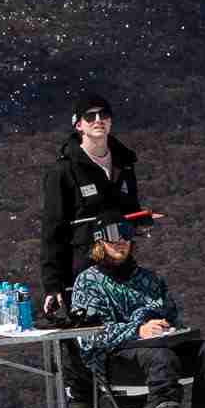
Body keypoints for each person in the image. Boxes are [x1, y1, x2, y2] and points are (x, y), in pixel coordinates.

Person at [67, 210, 205, 408]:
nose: (121, 241)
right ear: (99, 241)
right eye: (113, 235)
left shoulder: (149, 279)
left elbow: (172, 313)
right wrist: (138, 329)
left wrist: (168, 325)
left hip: (156, 350)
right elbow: (90, 336)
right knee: (161, 358)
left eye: (127, 234)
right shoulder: (88, 282)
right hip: (112, 361)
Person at [36, 95, 141, 303]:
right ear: (78, 125)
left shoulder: (125, 164)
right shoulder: (64, 171)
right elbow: (52, 231)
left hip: (122, 270)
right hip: (81, 272)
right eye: (90, 116)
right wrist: (52, 284)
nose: (98, 120)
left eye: (104, 114)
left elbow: (130, 209)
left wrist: (141, 219)